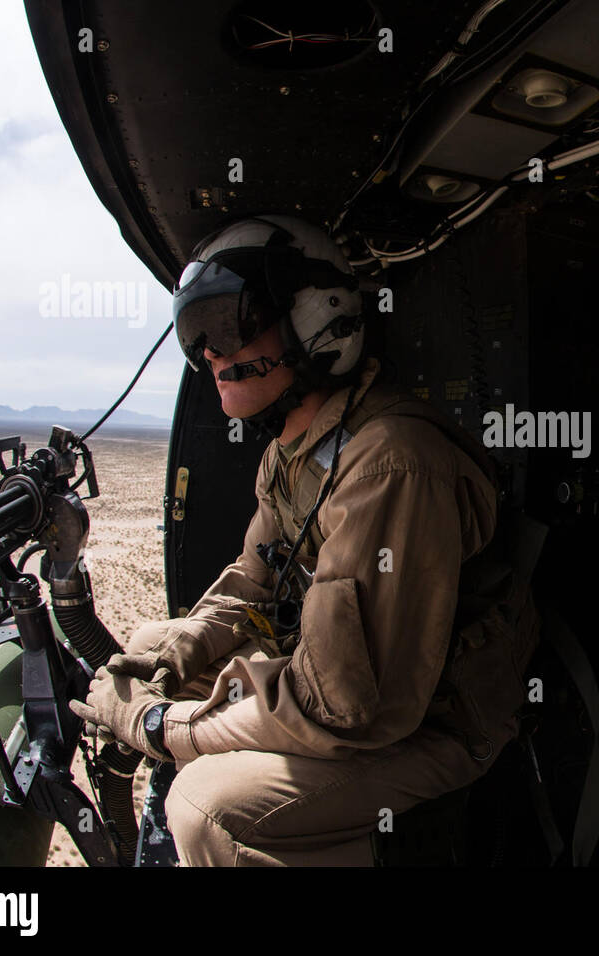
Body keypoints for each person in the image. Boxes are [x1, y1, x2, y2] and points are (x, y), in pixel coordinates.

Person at [69, 214, 541, 865]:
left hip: (435, 720)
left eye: (230, 325)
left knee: (207, 808)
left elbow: (349, 709)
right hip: (336, 678)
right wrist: (169, 661)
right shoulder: (295, 450)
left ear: (318, 322)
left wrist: (160, 725)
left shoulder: (389, 465)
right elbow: (252, 585)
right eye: (195, 334)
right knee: (153, 646)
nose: (209, 352)